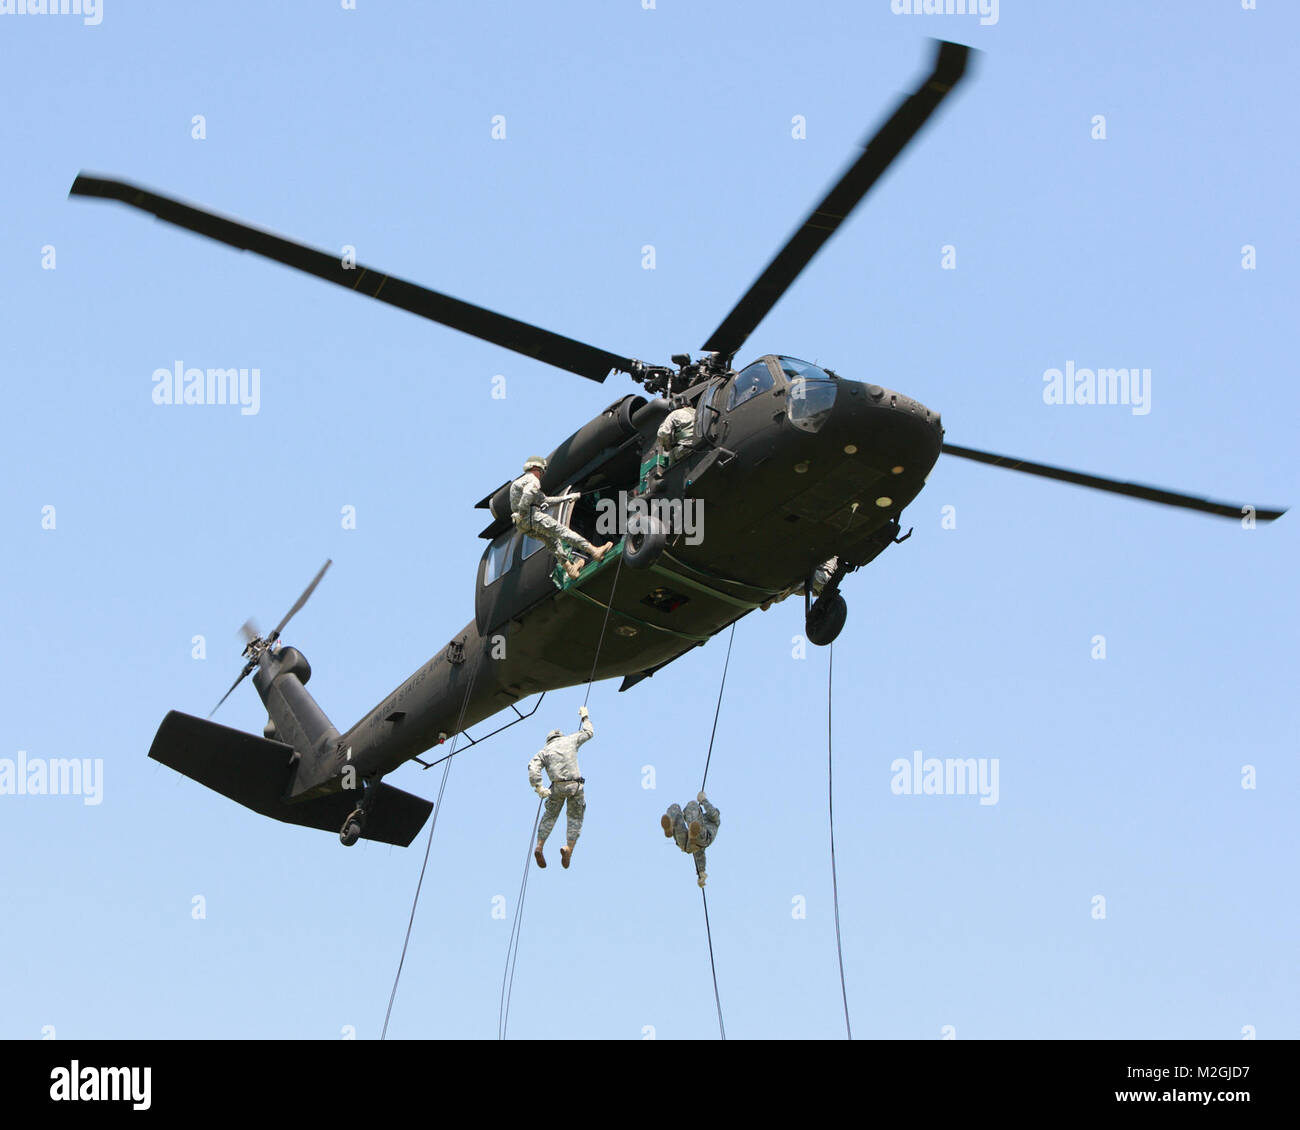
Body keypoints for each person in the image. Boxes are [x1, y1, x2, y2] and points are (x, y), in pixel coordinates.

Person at [509, 456, 612, 581]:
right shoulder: (532, 480)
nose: (541, 475)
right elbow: (528, 493)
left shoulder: (519, 483)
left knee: (552, 542)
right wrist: (522, 511)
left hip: (523, 525)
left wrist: (568, 498)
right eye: (541, 471)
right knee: (563, 532)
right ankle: (594, 551)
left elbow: (545, 500)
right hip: (531, 516)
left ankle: (570, 568)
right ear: (536, 468)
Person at [527, 705, 594, 869]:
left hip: (556, 788)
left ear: (549, 740)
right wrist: (585, 717)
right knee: (575, 817)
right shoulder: (570, 740)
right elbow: (589, 733)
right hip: (574, 785)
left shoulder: (545, 751)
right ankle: (568, 848)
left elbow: (533, 766)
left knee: (549, 816)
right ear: (560, 736)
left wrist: (539, 787)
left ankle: (540, 846)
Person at [661, 791, 720, 887]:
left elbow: (713, 813)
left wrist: (704, 800)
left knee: (692, 804)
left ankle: (691, 833)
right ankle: (670, 828)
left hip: (702, 838)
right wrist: (701, 872)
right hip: (689, 844)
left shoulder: (715, 820)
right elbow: (699, 853)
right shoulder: (700, 821)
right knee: (675, 808)